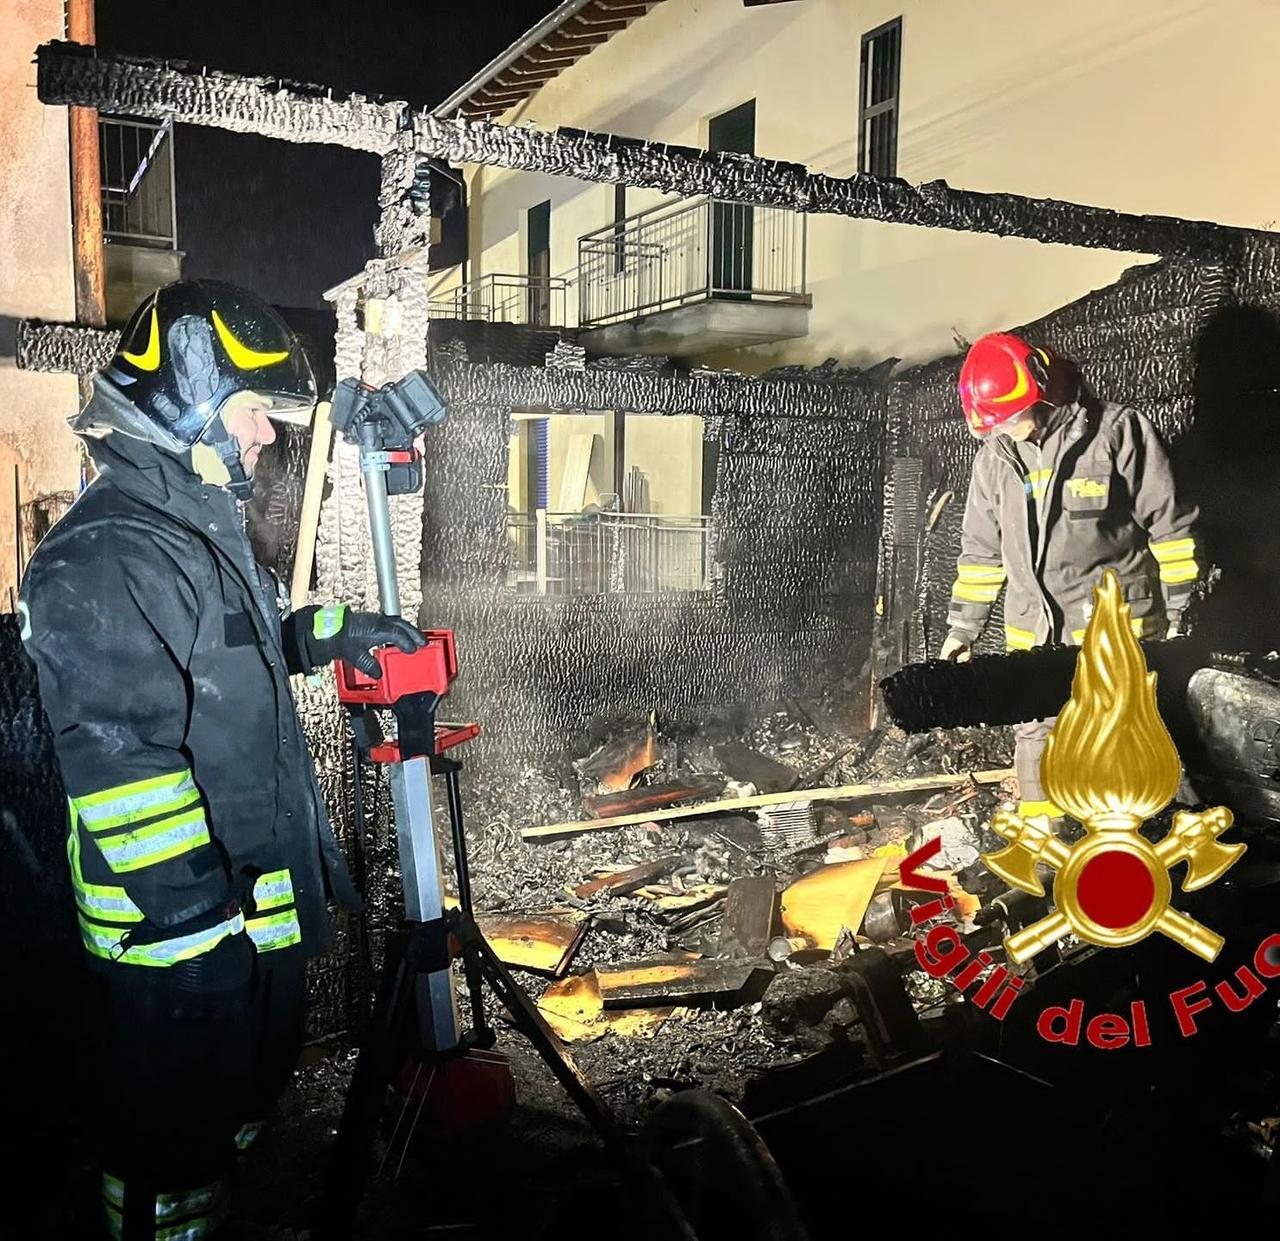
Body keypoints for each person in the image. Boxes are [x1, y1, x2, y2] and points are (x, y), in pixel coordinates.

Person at [19, 279, 426, 1239]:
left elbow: (232, 650)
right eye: (252, 411)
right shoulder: (107, 554)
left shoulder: (185, 529)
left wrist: (330, 632)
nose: (268, 436)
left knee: (231, 1129)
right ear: (188, 401)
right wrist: (199, 940)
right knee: (171, 1152)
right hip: (175, 954)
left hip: (245, 923)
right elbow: (126, 768)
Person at [940, 331, 1200, 824]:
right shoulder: (994, 457)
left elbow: (1172, 530)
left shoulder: (1118, 433)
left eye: (1010, 416)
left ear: (1039, 386)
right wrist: (962, 630)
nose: (1006, 429)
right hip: (1035, 639)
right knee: (1036, 741)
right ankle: (1045, 857)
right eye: (995, 422)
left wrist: (1183, 612)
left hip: (1114, 637)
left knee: (1126, 748)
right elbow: (980, 555)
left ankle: (1141, 858)